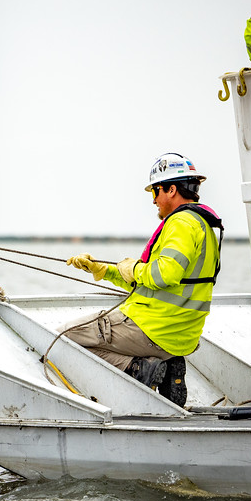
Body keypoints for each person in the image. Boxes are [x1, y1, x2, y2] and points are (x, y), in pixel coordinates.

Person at [63, 152, 223, 407]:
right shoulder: (203, 226)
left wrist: (132, 268)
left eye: (155, 192)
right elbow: (162, 283)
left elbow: (162, 274)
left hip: (152, 327)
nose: (154, 201)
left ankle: (140, 369)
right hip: (179, 337)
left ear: (171, 189)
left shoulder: (181, 222)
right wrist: (104, 270)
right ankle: (167, 367)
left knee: (62, 338)